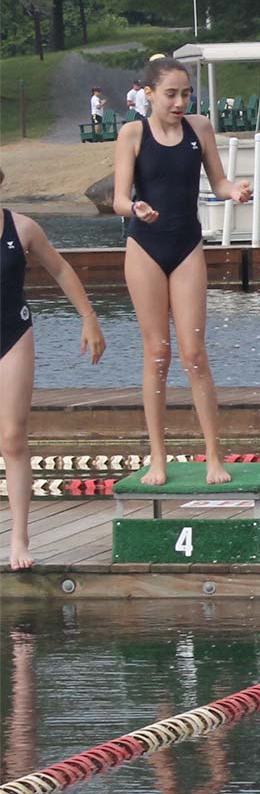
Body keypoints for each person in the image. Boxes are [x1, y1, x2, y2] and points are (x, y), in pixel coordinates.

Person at [113, 56, 252, 486]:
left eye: (186, 94)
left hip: (187, 244)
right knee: (158, 353)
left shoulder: (200, 128)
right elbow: (119, 199)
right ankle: (158, 457)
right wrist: (134, 207)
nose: (179, 102)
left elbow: (218, 182)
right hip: (144, 246)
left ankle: (214, 455)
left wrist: (235, 191)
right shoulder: (132, 133)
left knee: (194, 354)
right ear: (149, 93)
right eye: (171, 94)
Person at [2, 171, 108, 570]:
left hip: (12, 334)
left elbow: (61, 269)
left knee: (12, 437)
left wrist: (88, 318)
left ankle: (19, 538)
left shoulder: (22, 227)